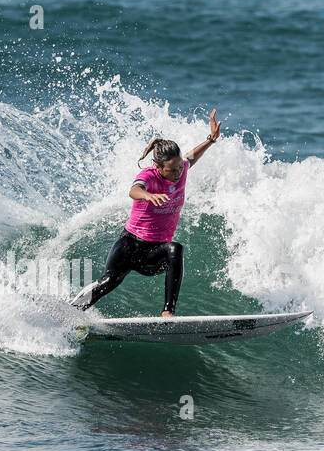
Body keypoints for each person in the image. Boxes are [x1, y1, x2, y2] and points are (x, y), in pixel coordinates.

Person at [71, 109, 221, 316]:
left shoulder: (181, 168)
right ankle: (72, 312)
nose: (178, 172)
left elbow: (191, 157)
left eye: (179, 167)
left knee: (175, 250)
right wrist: (147, 196)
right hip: (129, 246)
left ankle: (168, 312)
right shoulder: (148, 176)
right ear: (158, 166)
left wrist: (211, 140)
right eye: (172, 169)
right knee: (109, 281)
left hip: (154, 254)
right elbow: (134, 190)